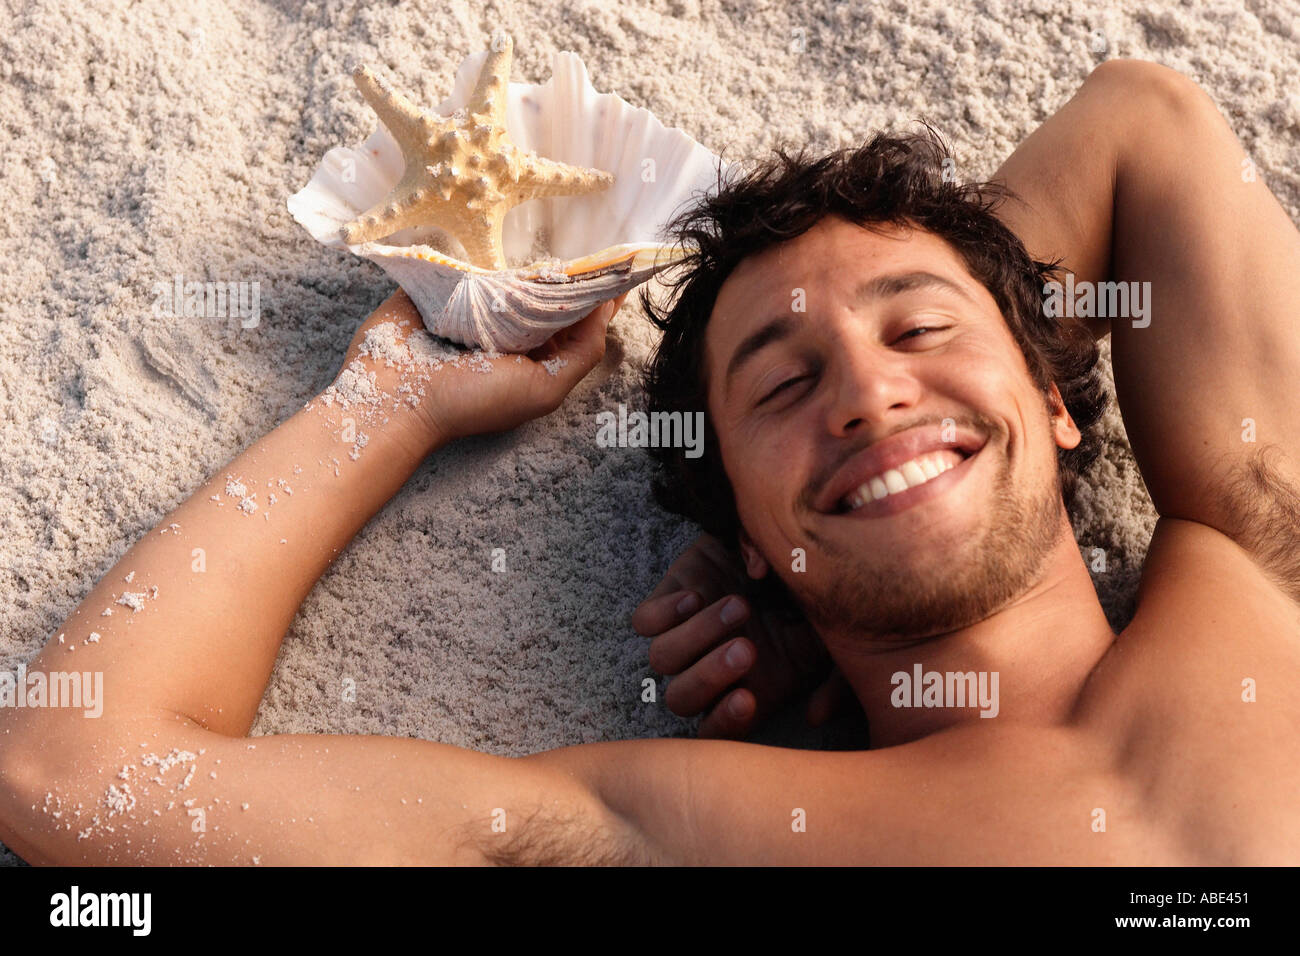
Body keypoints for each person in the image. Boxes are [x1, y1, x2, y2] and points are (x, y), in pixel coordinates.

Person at [2, 58, 1298, 865]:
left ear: (1060, 396)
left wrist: (944, 393)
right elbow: (71, 774)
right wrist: (382, 406)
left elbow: (1144, 118)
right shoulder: (688, 831)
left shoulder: (1265, 548)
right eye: (785, 386)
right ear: (739, 529)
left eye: (918, 328)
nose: (864, 388)